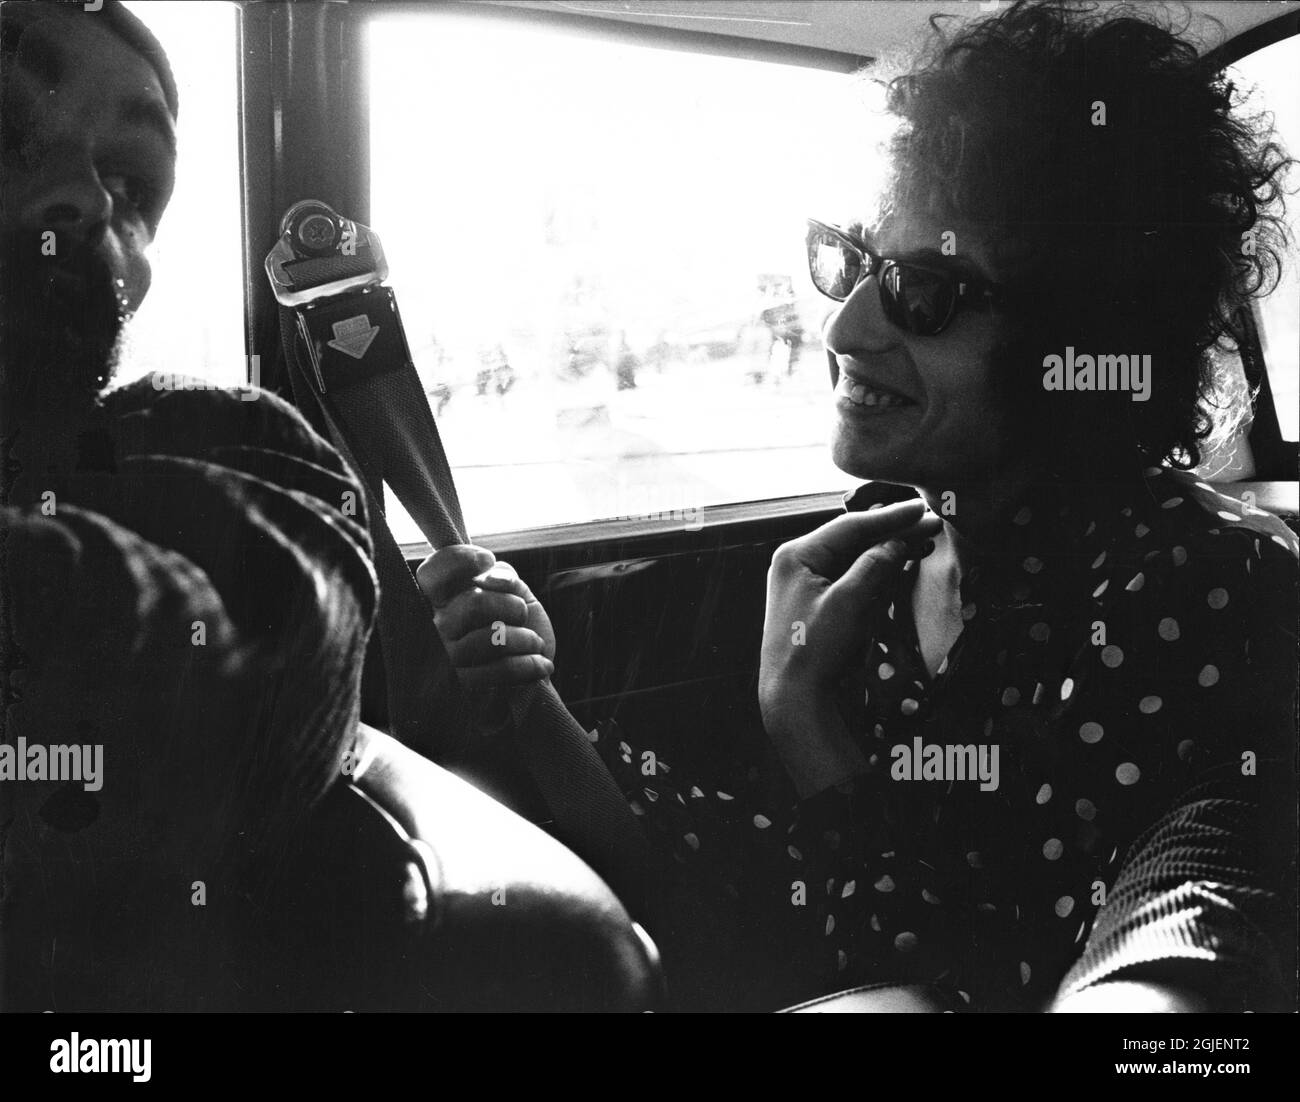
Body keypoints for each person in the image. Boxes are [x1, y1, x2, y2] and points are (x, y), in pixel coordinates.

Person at [427, 0, 1298, 1012]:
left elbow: (977, 980)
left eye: (923, 293)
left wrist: (805, 729)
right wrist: (527, 695)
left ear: (1080, 339)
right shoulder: (878, 553)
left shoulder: (1200, 586)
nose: (841, 325)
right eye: (850, 261)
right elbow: (770, 888)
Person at [0, 0, 651, 1012]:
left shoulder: (216, 457)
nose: (80, 198)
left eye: (131, 183)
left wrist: (506, 693)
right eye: (6, 128)